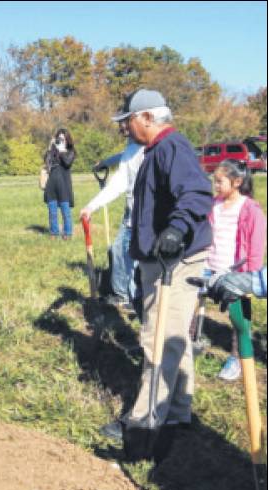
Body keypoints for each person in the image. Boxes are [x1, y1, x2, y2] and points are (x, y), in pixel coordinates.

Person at [99, 89, 213, 446]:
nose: (124, 129)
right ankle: (178, 411)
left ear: (147, 117)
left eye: (127, 121)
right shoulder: (156, 151)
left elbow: (196, 193)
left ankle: (143, 422)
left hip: (175, 262)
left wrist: (177, 228)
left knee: (158, 338)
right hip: (162, 259)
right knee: (174, 333)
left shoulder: (171, 148)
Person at [204, 159, 266, 381]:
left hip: (236, 274)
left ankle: (236, 357)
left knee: (239, 318)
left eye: (220, 182)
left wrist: (250, 275)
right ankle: (191, 342)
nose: (216, 186)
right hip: (209, 266)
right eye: (214, 181)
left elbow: (257, 249)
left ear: (237, 182)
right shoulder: (214, 205)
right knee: (192, 304)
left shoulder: (250, 210)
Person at [80, 120, 145, 307]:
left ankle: (136, 297)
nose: (122, 128)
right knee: (119, 250)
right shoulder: (132, 148)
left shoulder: (153, 148)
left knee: (136, 258)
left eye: (125, 123)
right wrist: (92, 206)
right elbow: (124, 165)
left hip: (147, 216)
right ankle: (123, 295)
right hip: (131, 212)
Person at [43, 128, 76, 240]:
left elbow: (67, 163)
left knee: (65, 211)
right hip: (52, 183)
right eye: (59, 139)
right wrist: (50, 147)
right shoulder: (53, 151)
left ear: (67, 140)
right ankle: (54, 232)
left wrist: (61, 151)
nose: (61, 141)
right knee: (52, 211)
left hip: (64, 184)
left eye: (63, 139)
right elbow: (46, 162)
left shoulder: (71, 151)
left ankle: (67, 233)